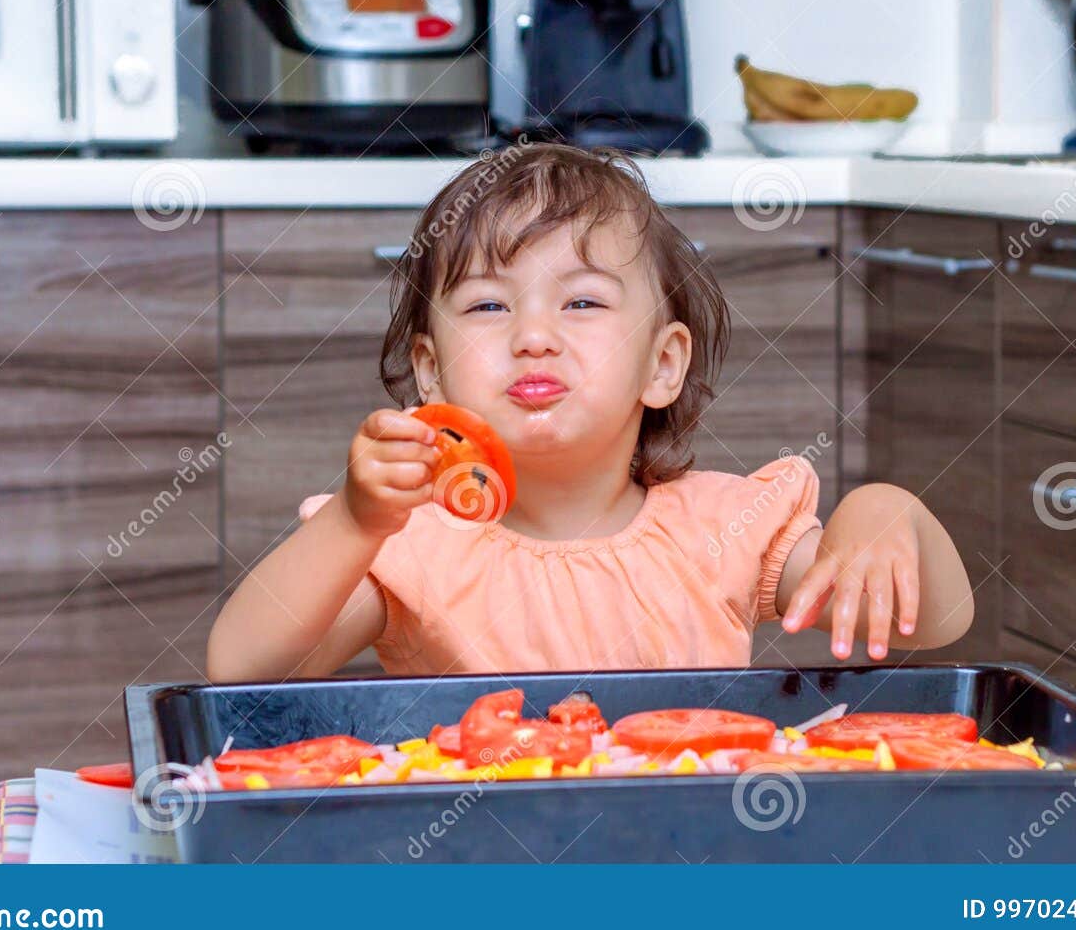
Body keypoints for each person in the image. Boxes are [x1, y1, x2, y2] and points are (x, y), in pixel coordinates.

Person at [207, 143, 972, 680]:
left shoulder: (726, 531)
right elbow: (242, 668)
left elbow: (940, 622)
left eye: (581, 300)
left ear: (662, 364)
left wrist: (883, 512)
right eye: (486, 303)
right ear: (430, 371)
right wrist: (354, 521)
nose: (533, 336)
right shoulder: (410, 551)